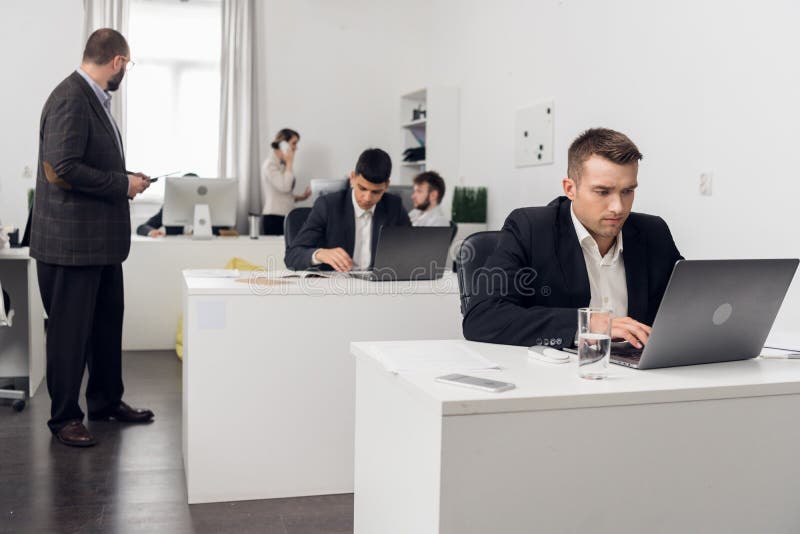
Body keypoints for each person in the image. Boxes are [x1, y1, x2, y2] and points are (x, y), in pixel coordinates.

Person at [30, 28, 155, 448]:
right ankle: (64, 418)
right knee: (69, 335)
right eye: (128, 65)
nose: (125, 72)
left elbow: (85, 163)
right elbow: (61, 168)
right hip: (71, 247)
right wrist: (121, 185)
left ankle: (105, 402)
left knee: (105, 327)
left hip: (98, 245)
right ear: (117, 61)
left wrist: (126, 179)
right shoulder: (71, 97)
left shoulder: (91, 100)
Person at [462, 128, 683, 349]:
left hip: (643, 375)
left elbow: (686, 307)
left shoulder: (653, 232)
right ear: (570, 189)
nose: (618, 207)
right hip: (561, 374)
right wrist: (588, 325)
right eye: (603, 192)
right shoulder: (531, 229)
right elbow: (482, 318)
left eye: (627, 191)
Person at [284, 148, 411, 271]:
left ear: (386, 186)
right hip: (336, 287)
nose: (367, 198)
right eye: (362, 188)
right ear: (352, 178)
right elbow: (292, 256)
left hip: (379, 286)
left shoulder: (394, 206)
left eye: (376, 192)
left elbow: (412, 249)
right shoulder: (328, 206)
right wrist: (320, 254)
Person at [261, 128, 312, 235]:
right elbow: (285, 187)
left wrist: (301, 197)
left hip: (285, 215)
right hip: (274, 218)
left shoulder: (282, 164)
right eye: (294, 143)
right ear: (283, 145)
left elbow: (282, 193)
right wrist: (289, 162)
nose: (296, 148)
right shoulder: (270, 165)